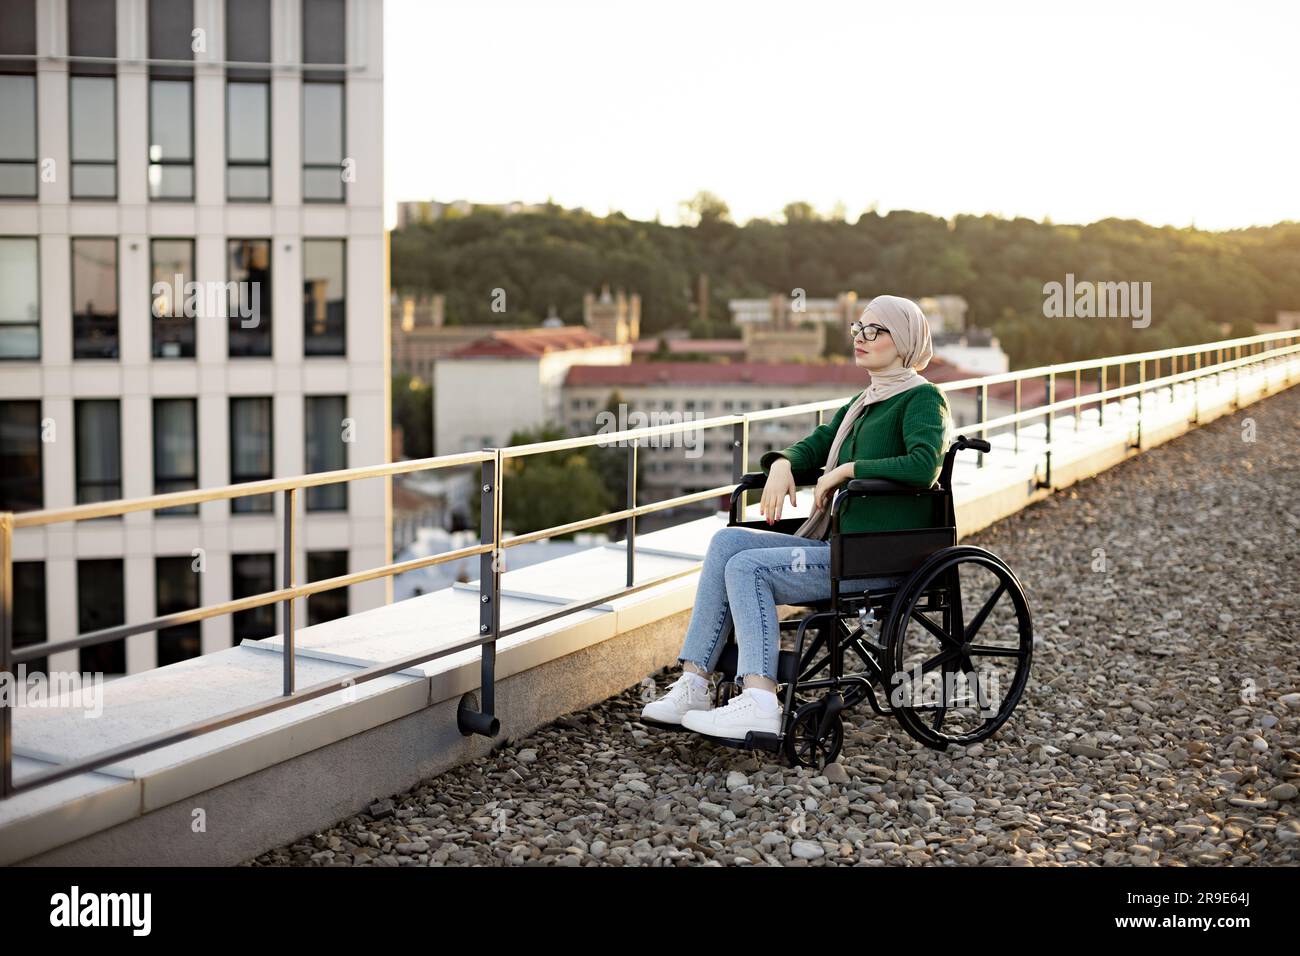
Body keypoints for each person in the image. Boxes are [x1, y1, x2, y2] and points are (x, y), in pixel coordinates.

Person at [640, 294, 952, 739]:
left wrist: (848, 470)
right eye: (857, 329)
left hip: (877, 557)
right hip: (838, 546)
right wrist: (783, 463)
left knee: (749, 568)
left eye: (873, 331)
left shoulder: (921, 399)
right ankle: (694, 682)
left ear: (902, 341)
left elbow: (924, 465)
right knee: (726, 542)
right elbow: (815, 445)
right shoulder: (862, 404)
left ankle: (760, 700)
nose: (860, 339)